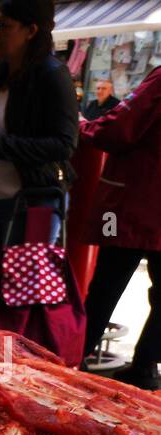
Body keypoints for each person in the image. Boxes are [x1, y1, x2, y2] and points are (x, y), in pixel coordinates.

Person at [0, 0, 79, 308]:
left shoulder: (53, 75)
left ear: (30, 31)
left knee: (18, 301)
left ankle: (23, 356)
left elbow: (64, 144)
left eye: (5, 26)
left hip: (34, 202)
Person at [79, 63, 161, 389]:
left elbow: (120, 129)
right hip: (141, 208)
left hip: (129, 204)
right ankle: (144, 367)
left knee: (105, 284)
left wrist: (85, 127)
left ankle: (74, 357)